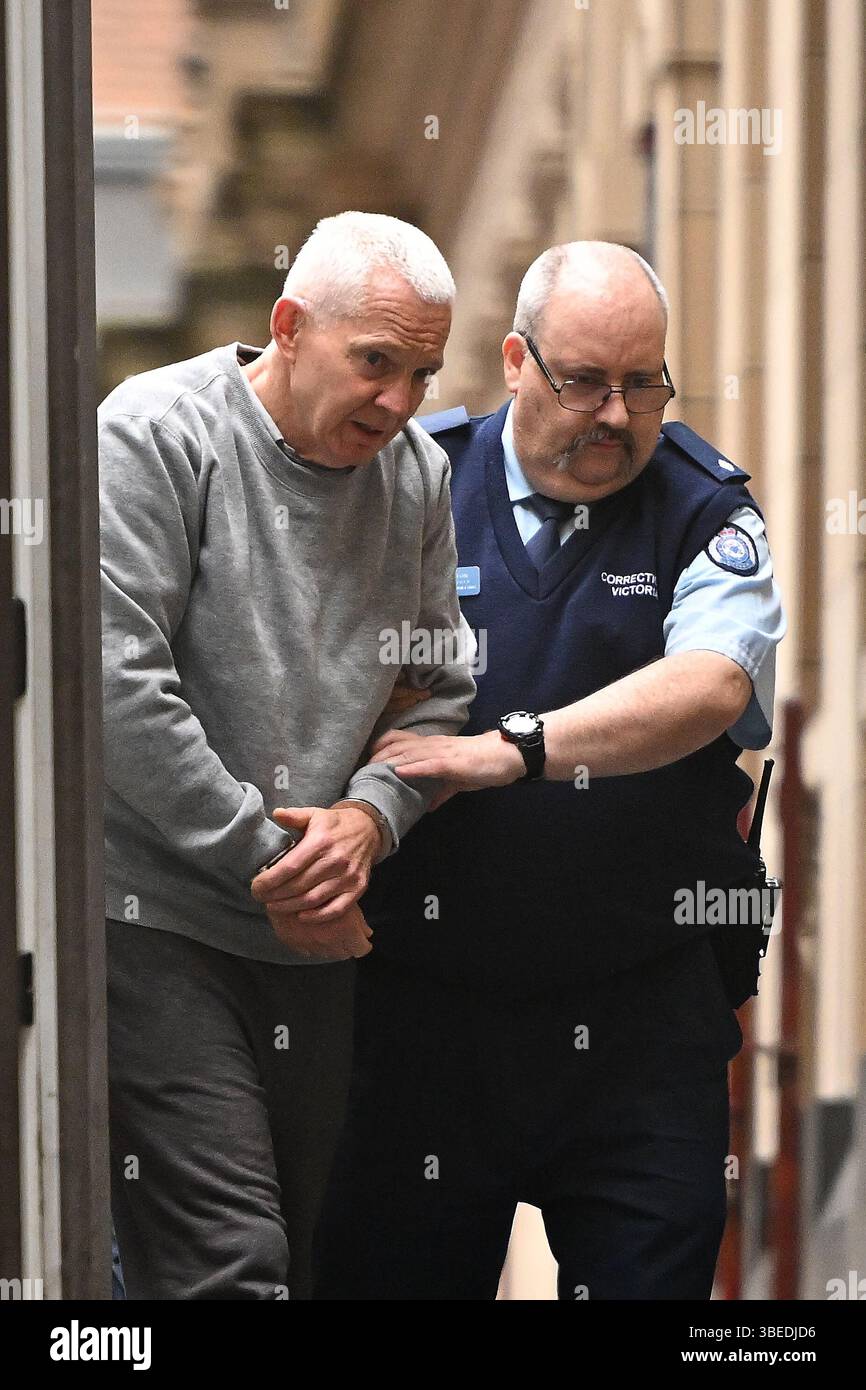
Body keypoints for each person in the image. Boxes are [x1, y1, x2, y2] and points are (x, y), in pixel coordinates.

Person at [313, 240, 786, 1301]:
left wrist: (508, 749)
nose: (613, 413)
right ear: (515, 360)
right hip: (421, 1025)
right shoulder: (407, 485)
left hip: (639, 1030)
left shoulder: (706, 511)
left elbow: (710, 686)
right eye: (581, 380)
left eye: (641, 383)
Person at [100, 211, 476, 1299]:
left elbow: (440, 684)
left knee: (295, 1261)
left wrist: (367, 819)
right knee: (231, 1264)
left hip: (305, 940)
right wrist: (271, 861)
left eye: (420, 372)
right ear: (289, 326)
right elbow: (117, 687)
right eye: (375, 363)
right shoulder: (155, 433)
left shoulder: (414, 479)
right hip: (155, 925)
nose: (400, 402)